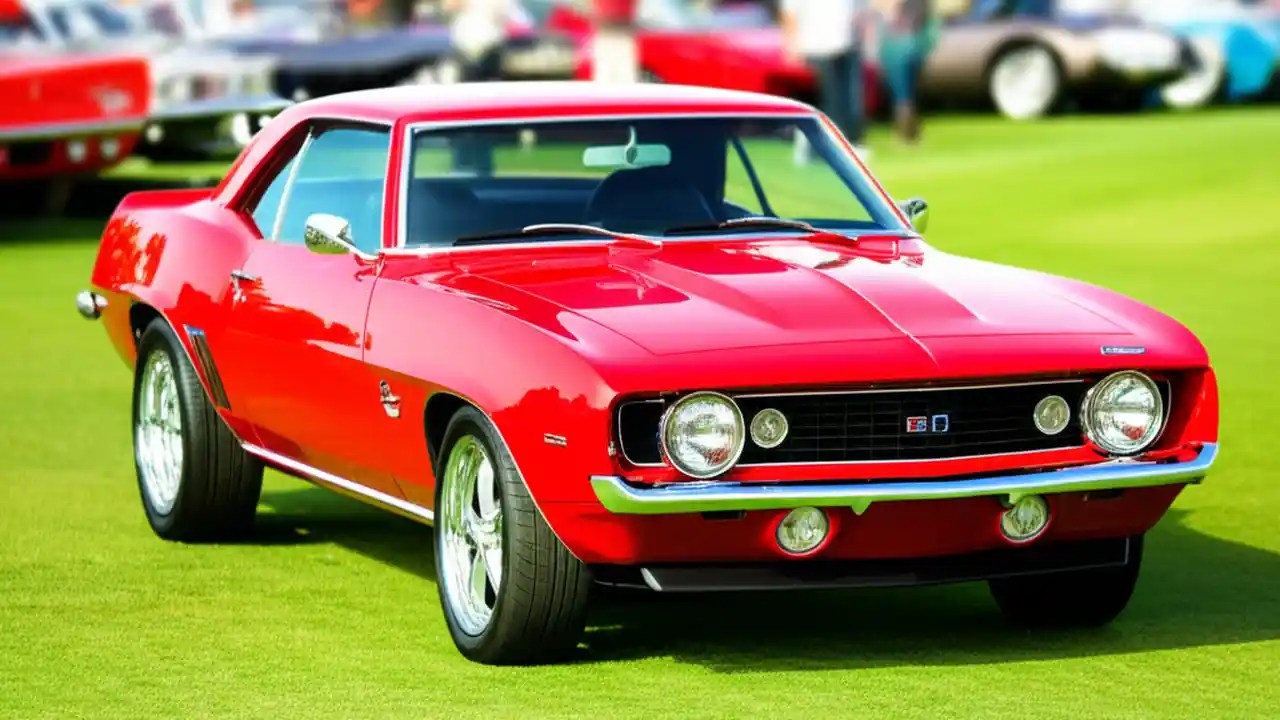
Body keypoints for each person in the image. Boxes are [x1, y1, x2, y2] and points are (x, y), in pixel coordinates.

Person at [780, 0, 868, 149]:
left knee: (850, 103)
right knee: (828, 104)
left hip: (848, 45)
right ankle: (822, 147)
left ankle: (849, 144)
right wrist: (791, 45)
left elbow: (859, 10)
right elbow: (790, 13)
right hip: (817, 48)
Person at [874, 0, 936, 144]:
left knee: (901, 95)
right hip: (913, 46)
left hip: (898, 48)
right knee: (908, 93)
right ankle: (913, 133)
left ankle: (905, 134)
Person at [443, 0, 517, 82]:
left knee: (491, 87)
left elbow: (504, 13)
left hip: (490, 46)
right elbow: (448, 7)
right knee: (466, 87)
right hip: (464, 49)